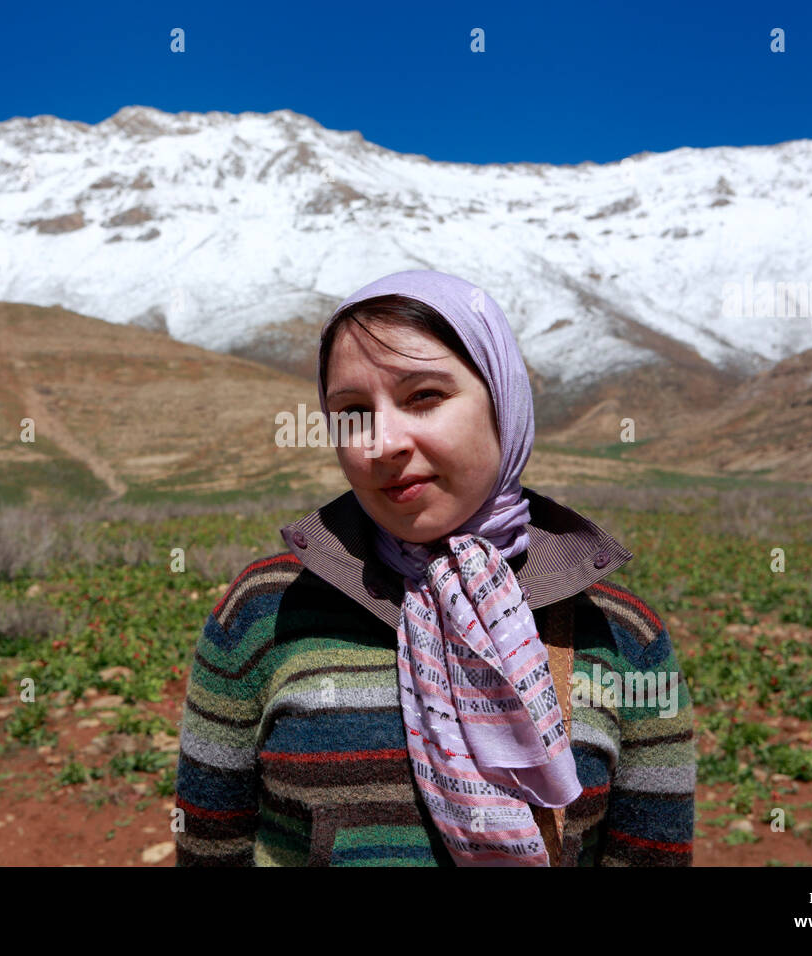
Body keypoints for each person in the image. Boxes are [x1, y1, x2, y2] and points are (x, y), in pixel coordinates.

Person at [174, 270, 695, 866]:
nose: (382, 444)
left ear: (503, 403)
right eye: (352, 411)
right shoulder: (265, 613)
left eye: (424, 397)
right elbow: (209, 850)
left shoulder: (623, 637)